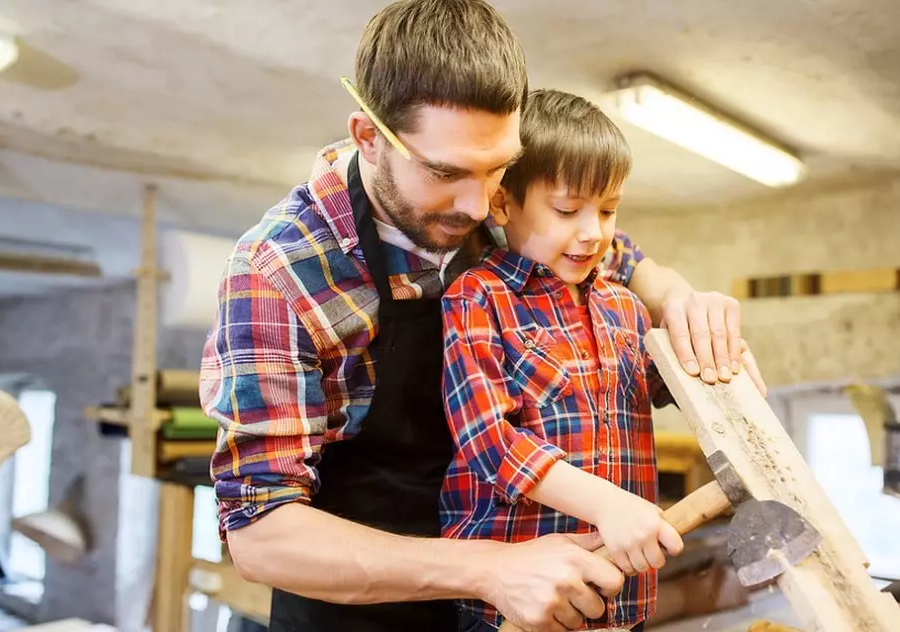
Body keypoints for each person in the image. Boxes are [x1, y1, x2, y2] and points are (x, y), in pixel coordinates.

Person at [199, 2, 765, 631]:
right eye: (446, 173)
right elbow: (259, 534)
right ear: (368, 138)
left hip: (514, 599)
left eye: (499, 168)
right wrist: (491, 570)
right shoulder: (280, 271)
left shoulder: (506, 210)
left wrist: (682, 299)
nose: (481, 205)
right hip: (359, 605)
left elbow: (626, 263)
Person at [441, 89, 682, 632]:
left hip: (621, 599)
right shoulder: (478, 298)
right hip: (518, 605)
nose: (594, 231)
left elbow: (670, 388)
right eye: (568, 210)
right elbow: (489, 442)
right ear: (503, 203)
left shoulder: (624, 306)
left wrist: (715, 359)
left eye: (609, 209)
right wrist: (607, 505)